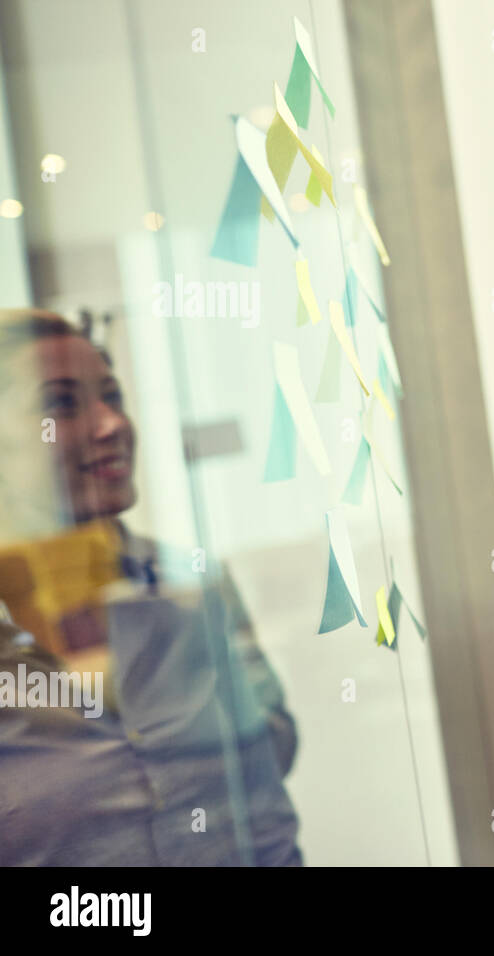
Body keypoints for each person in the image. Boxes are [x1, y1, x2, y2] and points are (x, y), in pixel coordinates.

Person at [0, 309, 302, 865]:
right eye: (61, 404)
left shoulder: (188, 582)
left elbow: (268, 768)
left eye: (111, 396)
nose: (112, 423)